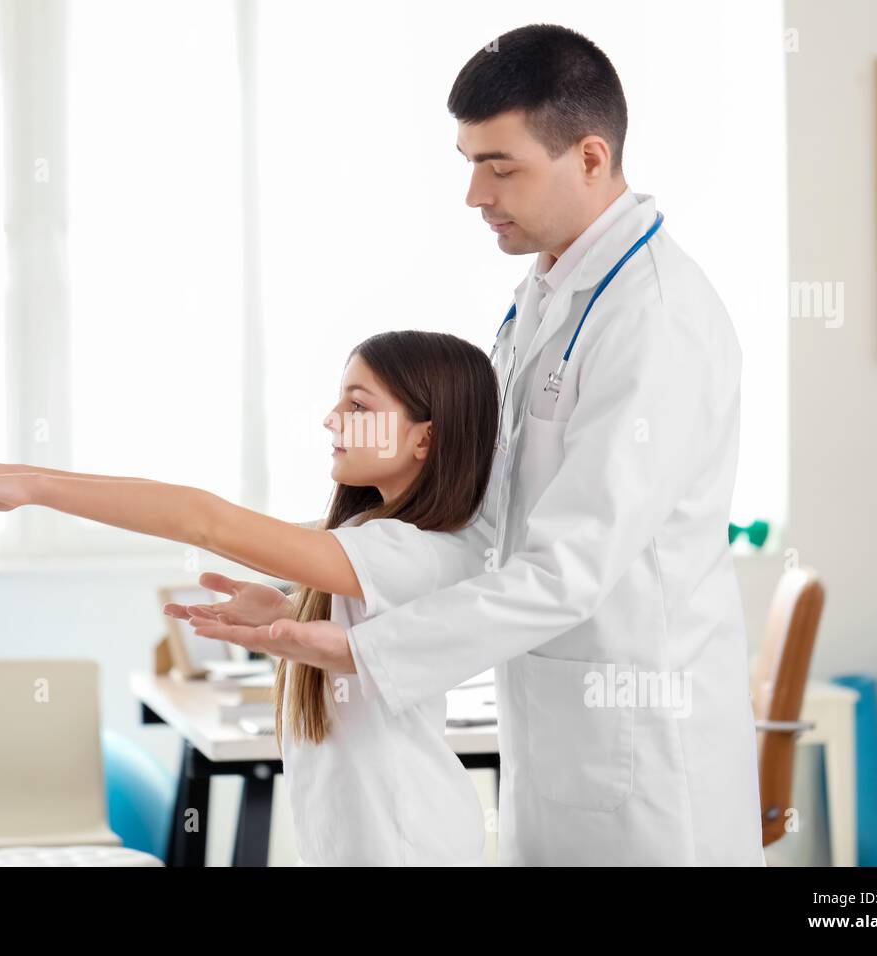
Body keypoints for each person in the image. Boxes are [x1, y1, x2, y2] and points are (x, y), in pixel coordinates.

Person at [187, 24, 766, 865]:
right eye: (467, 162)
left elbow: (567, 568)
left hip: (643, 761)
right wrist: (316, 598)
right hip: (555, 734)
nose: (474, 195)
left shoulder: (655, 320)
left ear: (592, 158)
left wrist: (360, 648)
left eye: (500, 167)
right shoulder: (547, 293)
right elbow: (482, 512)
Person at [0, 330, 498, 865]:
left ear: (425, 439)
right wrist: (290, 611)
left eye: (357, 405)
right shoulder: (372, 538)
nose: (330, 417)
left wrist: (34, 487)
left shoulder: (416, 551)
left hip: (409, 848)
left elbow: (202, 520)